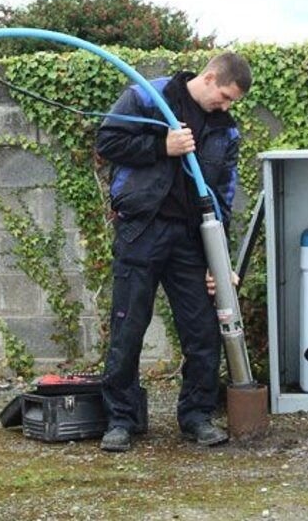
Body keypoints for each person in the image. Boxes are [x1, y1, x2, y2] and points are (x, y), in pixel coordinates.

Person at [95, 52, 252, 452]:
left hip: (190, 239)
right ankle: (121, 419)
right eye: (226, 96)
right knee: (128, 328)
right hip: (141, 230)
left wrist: (221, 260)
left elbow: (223, 197)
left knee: (202, 330)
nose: (228, 106)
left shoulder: (225, 131)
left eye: (232, 102)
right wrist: (161, 145)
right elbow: (108, 141)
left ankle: (197, 416)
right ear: (211, 76)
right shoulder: (148, 96)